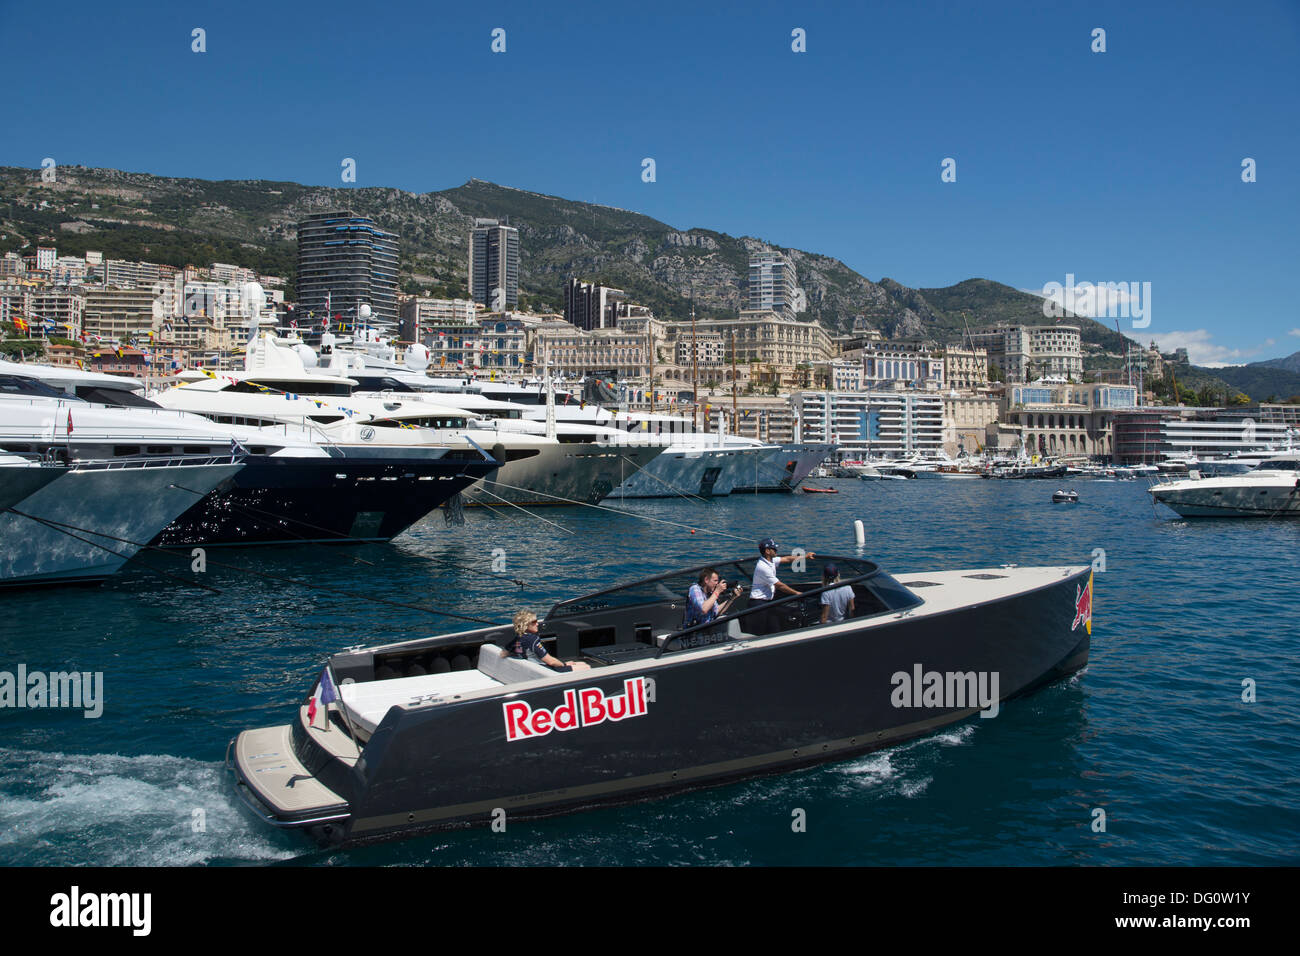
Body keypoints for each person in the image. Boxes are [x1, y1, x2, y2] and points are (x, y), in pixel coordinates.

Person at [748, 538, 816, 634]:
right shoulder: (763, 567)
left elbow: (787, 559)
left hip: (767, 602)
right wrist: (797, 593)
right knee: (761, 633)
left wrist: (806, 556)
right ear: (767, 551)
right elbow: (780, 586)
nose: (776, 550)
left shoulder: (771, 560)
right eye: (774, 549)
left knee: (775, 629)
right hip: (758, 604)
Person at [502, 611, 590, 672]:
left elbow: (504, 653)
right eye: (534, 622)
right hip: (543, 670)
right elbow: (551, 661)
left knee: (579, 663)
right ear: (526, 625)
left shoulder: (517, 638)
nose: (537, 624)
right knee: (586, 667)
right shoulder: (532, 639)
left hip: (534, 669)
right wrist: (564, 665)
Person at [683, 567, 743, 633]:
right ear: (706, 580)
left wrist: (732, 598)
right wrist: (717, 591)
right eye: (715, 581)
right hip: (694, 633)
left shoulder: (711, 594)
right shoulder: (695, 589)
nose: (717, 584)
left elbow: (717, 611)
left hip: (708, 630)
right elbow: (703, 609)